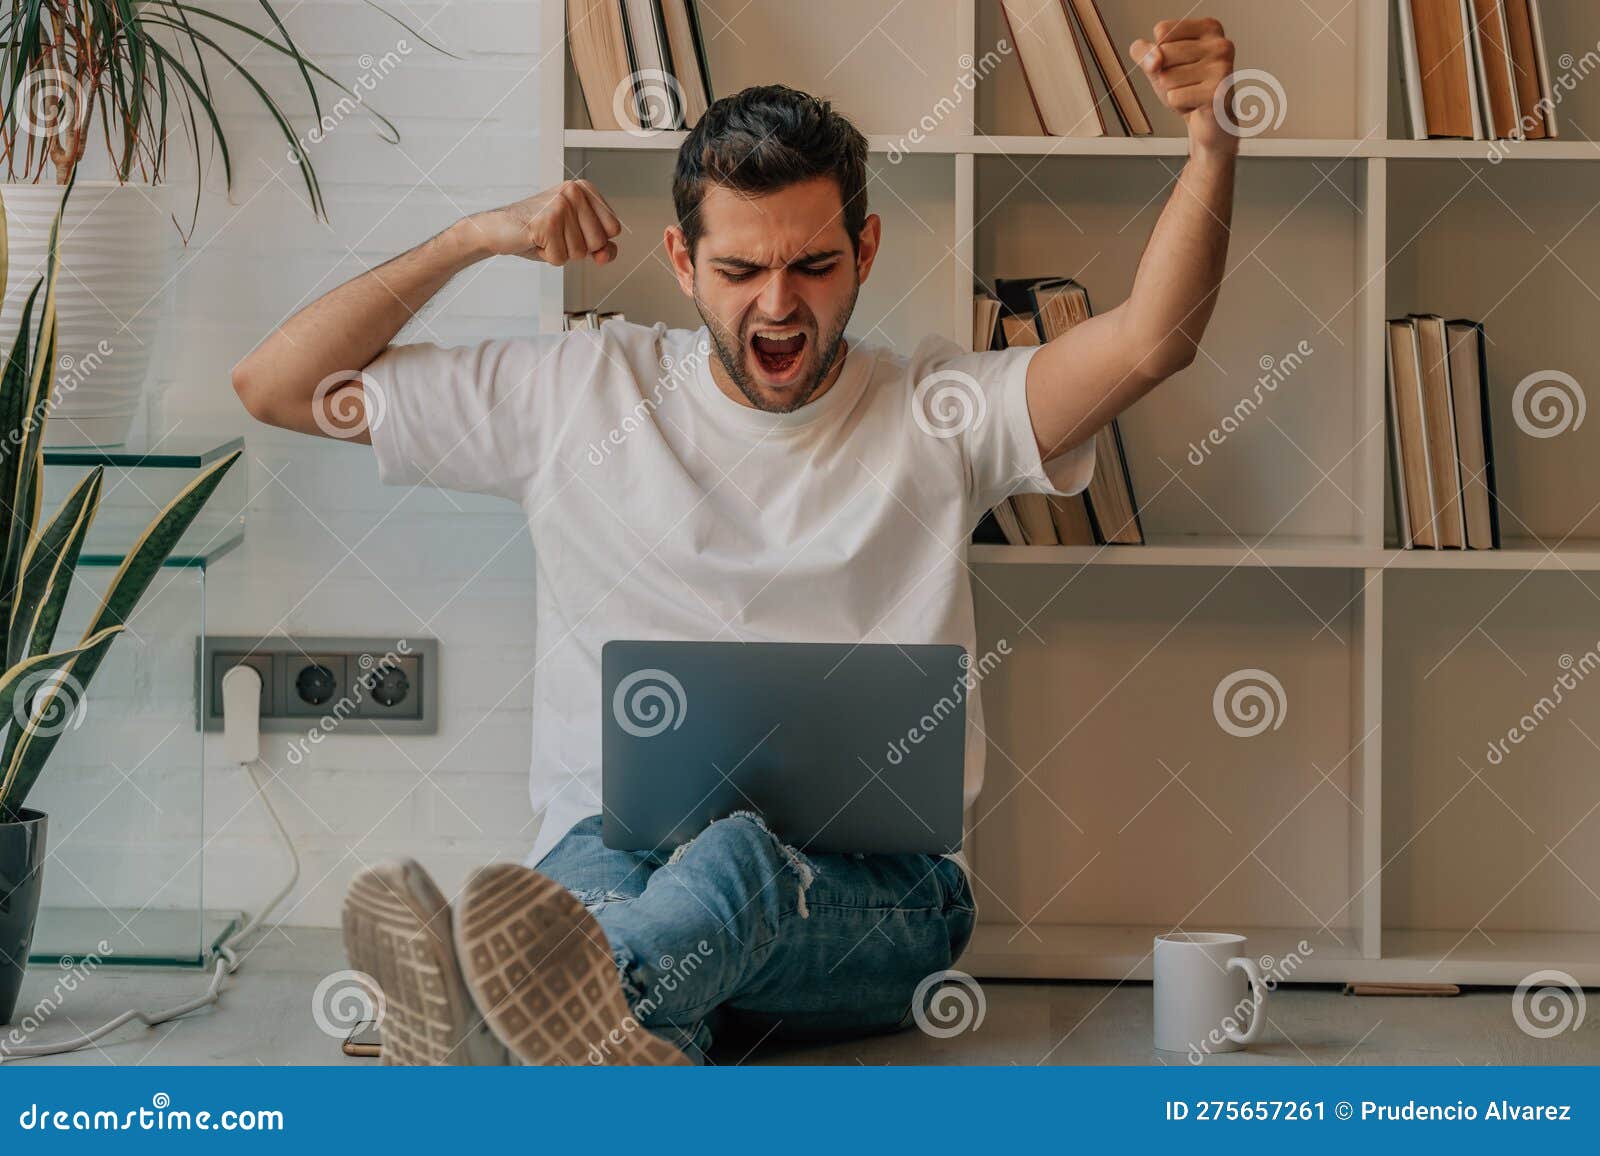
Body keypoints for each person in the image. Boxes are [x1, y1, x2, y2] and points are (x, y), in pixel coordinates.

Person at [232, 18, 1239, 1065]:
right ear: (681, 260)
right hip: (609, 866)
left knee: (733, 867)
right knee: (632, 943)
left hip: (872, 898)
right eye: (740, 269)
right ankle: (619, 1028)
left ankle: (492, 1023)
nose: (777, 304)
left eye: (812, 265)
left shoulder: (939, 410)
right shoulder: (577, 391)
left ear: (866, 251)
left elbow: (1153, 339)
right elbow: (278, 386)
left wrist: (1212, 143)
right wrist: (469, 238)